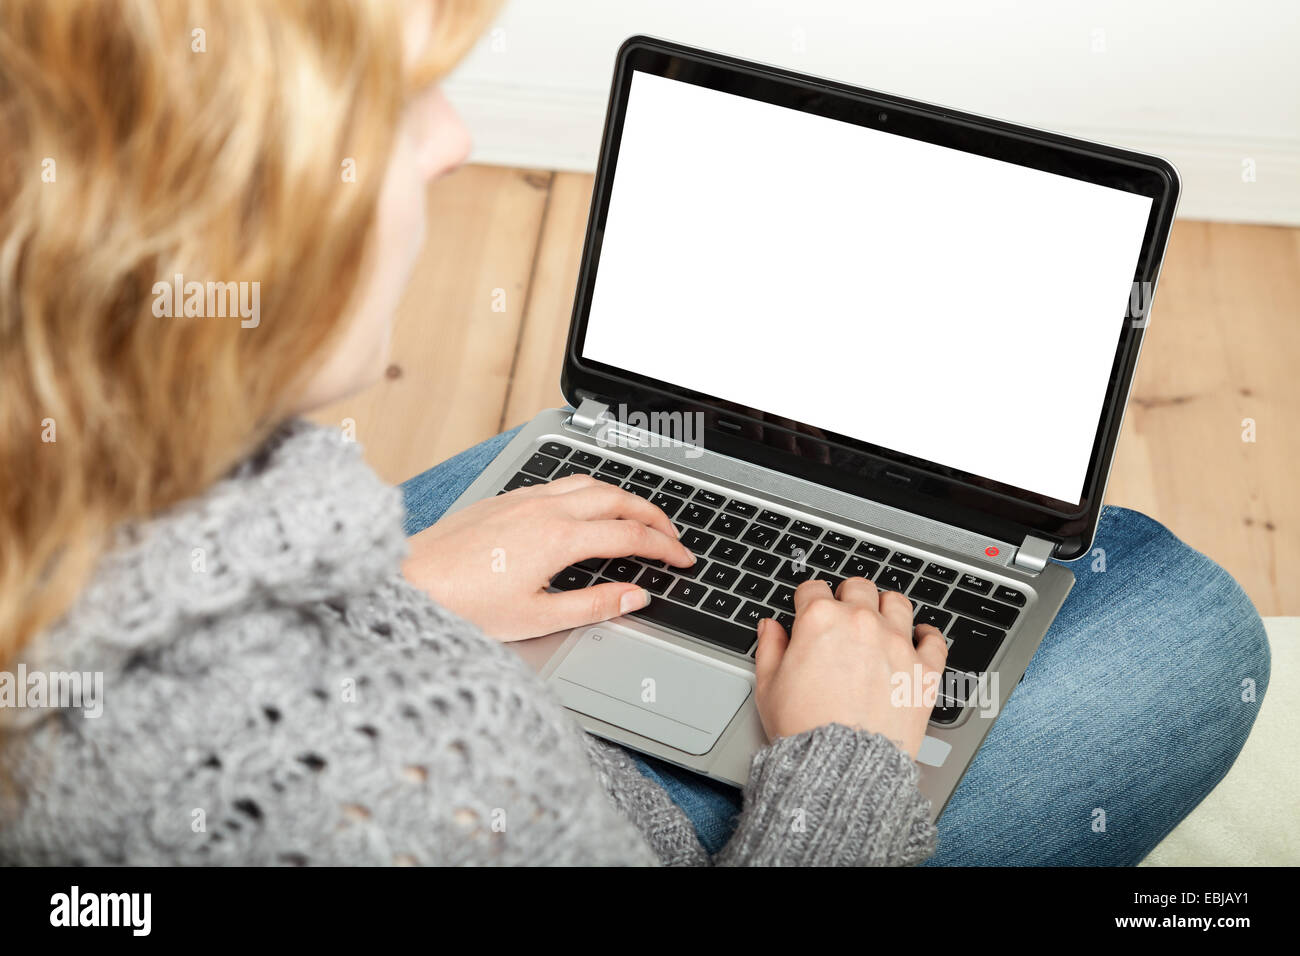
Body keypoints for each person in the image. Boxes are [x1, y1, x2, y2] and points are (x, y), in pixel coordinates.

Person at [0, 0, 1269, 866]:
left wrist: (394, 590)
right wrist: (837, 759)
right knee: (1178, 611)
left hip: (411, 670)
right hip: (567, 794)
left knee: (586, 467)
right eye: (392, 107)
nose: (453, 141)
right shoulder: (395, 798)